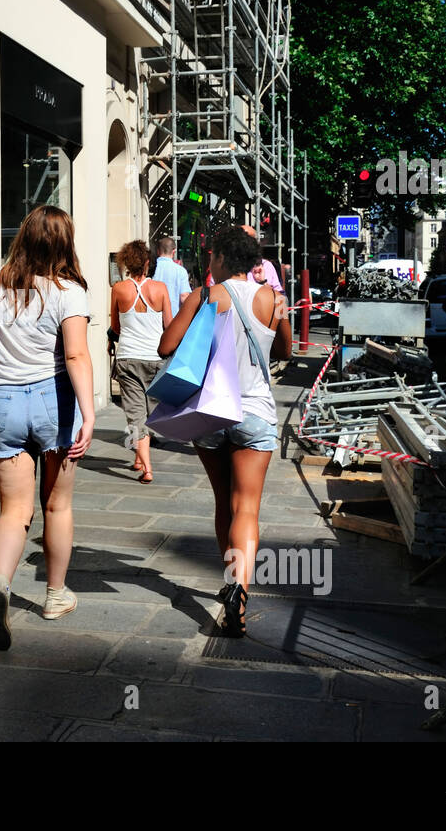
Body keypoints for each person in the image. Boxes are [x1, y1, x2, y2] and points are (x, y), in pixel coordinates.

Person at [0, 205, 95, 650]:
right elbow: (76, 356)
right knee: (57, 507)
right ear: (63, 243)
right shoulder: (69, 291)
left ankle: (0, 586)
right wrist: (89, 412)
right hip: (53, 400)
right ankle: (55, 596)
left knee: (14, 511)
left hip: (3, 399)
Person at [159, 226, 292, 638]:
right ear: (254, 262)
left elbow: (166, 347)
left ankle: (229, 578)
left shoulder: (206, 297)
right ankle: (240, 588)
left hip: (212, 412)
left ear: (218, 259)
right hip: (254, 412)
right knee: (247, 508)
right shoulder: (274, 299)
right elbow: (285, 352)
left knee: (223, 504)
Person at [109, 240, 172, 483]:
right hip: (154, 358)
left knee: (135, 414)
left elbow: (115, 327)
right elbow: (168, 325)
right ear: (147, 263)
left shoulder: (118, 289)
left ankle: (140, 460)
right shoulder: (160, 288)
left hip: (127, 358)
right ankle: (147, 466)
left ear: (126, 263)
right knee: (147, 412)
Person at [153, 236, 192, 315]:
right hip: (173, 318)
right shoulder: (181, 271)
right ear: (173, 251)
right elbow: (184, 297)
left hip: (153, 319)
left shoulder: (151, 269)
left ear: (158, 251)